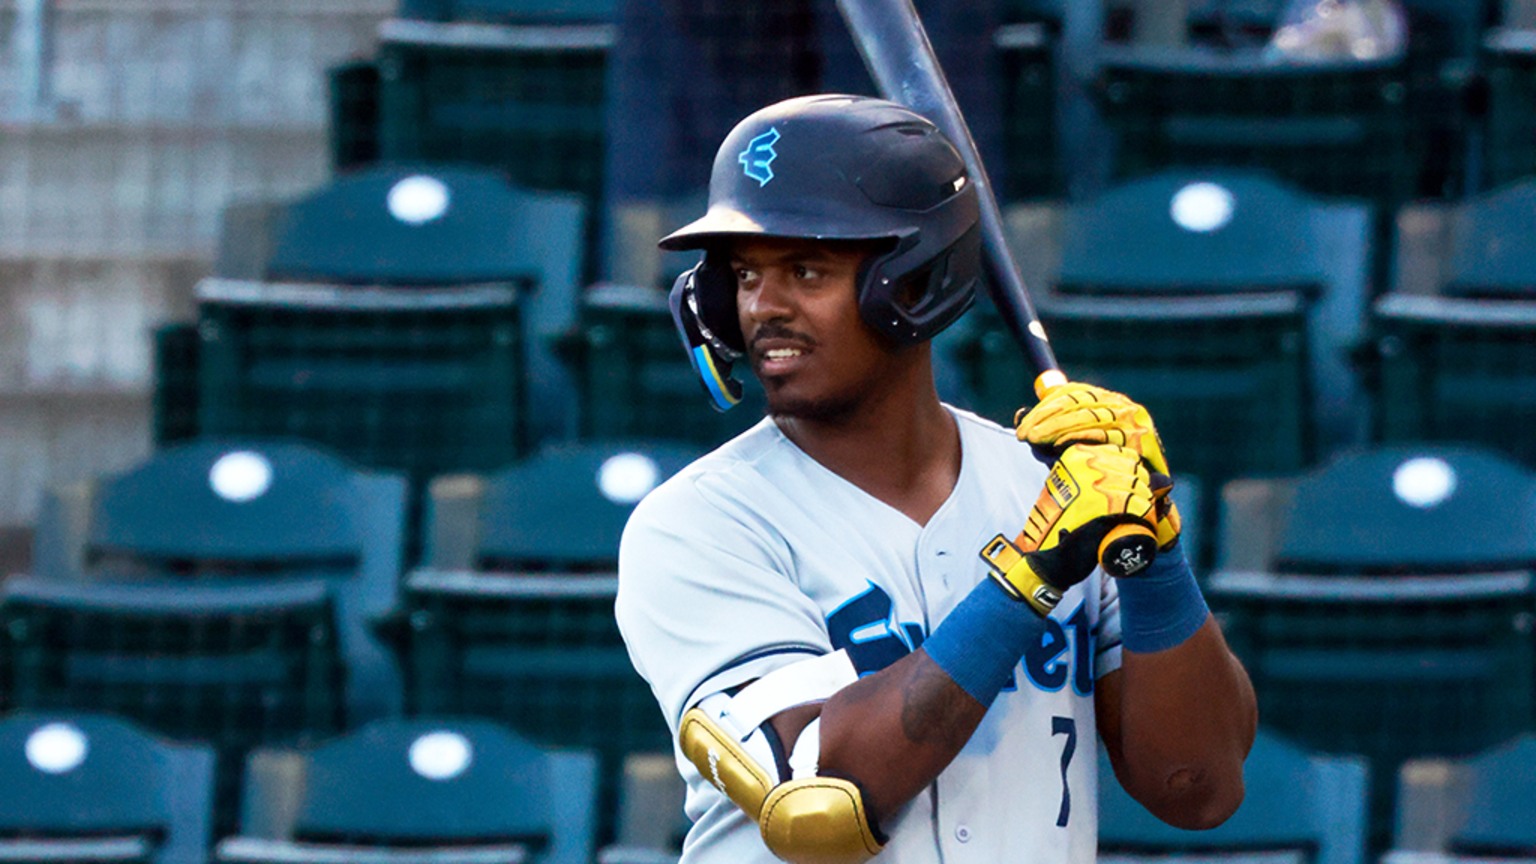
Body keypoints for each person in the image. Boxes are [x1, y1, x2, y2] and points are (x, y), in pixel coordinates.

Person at [615, 94, 1257, 864]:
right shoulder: (698, 524)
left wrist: (1152, 547)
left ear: (912, 281)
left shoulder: (1058, 491)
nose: (764, 307)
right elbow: (822, 799)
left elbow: (1199, 789)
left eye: (807, 269)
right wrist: (1031, 577)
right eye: (746, 275)